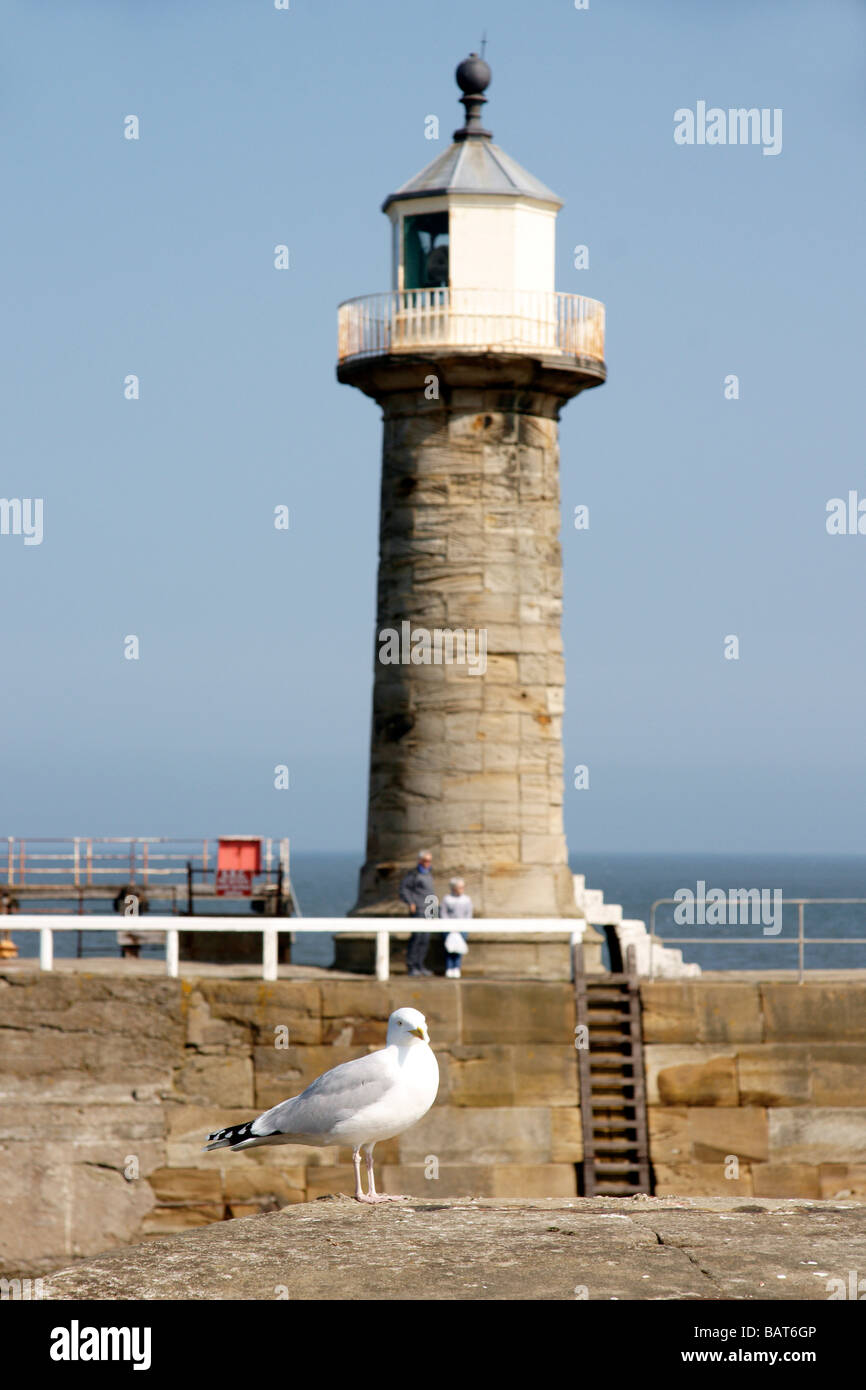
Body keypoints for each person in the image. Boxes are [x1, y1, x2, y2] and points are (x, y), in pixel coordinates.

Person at [399, 850, 436, 977]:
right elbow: (404, 889)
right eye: (425, 861)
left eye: (429, 861)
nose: (427, 863)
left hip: (430, 910)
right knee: (417, 938)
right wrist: (411, 902)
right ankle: (412, 966)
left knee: (425, 939)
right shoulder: (414, 874)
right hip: (419, 910)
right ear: (420, 861)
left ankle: (420, 965)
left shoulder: (430, 874)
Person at [440, 877, 472, 978]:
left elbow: (468, 914)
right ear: (454, 888)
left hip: (461, 928)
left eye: (462, 887)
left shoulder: (466, 899)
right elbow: (443, 913)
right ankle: (449, 967)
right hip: (449, 928)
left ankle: (456, 967)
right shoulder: (447, 899)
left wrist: (461, 926)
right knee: (449, 948)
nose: (461, 889)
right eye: (459, 887)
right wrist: (449, 926)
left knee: (459, 948)